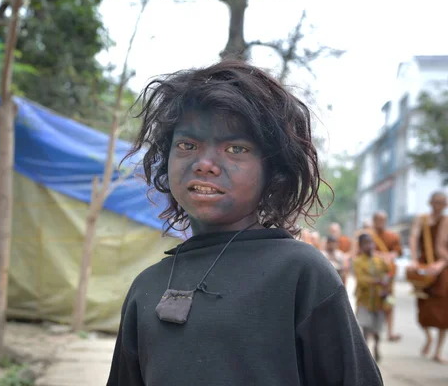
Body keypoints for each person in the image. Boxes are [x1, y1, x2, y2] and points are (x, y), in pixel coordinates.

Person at [107, 61, 382, 385]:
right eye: (187, 145)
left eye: (235, 148)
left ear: (274, 172)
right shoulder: (147, 286)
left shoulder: (300, 273)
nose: (205, 164)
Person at [410, 191, 448, 364]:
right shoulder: (422, 219)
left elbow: (441, 247)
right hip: (424, 266)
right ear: (430, 202)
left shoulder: (446, 221)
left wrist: (440, 265)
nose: (437, 205)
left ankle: (438, 351)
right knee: (422, 307)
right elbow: (413, 237)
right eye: (435, 201)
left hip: (443, 269)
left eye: (441, 202)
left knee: (444, 311)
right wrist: (413, 260)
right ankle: (428, 338)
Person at [353, 233, 392, 362]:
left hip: (378, 300)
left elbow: (389, 273)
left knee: (377, 328)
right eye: (366, 243)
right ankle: (366, 352)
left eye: (371, 243)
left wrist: (386, 286)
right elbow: (361, 279)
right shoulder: (358, 261)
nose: (369, 246)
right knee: (365, 326)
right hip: (364, 300)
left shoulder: (379, 260)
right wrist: (376, 282)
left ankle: (376, 347)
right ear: (360, 246)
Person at [371, 210, 403, 342]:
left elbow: (397, 252)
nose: (381, 223)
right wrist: (379, 256)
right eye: (378, 220)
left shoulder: (392, 236)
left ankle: (390, 332)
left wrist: (389, 256)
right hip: (372, 276)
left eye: (383, 220)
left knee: (389, 302)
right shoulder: (367, 235)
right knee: (371, 303)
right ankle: (371, 331)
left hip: (388, 276)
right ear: (374, 220)